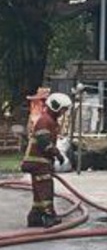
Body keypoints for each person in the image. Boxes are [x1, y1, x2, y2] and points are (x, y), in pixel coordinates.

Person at [22, 92, 72, 228]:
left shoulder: (49, 120)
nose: (63, 113)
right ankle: (49, 216)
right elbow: (44, 142)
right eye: (63, 109)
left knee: (39, 190)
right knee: (46, 189)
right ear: (56, 107)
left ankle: (35, 217)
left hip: (39, 162)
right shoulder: (45, 120)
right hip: (38, 162)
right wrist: (57, 154)